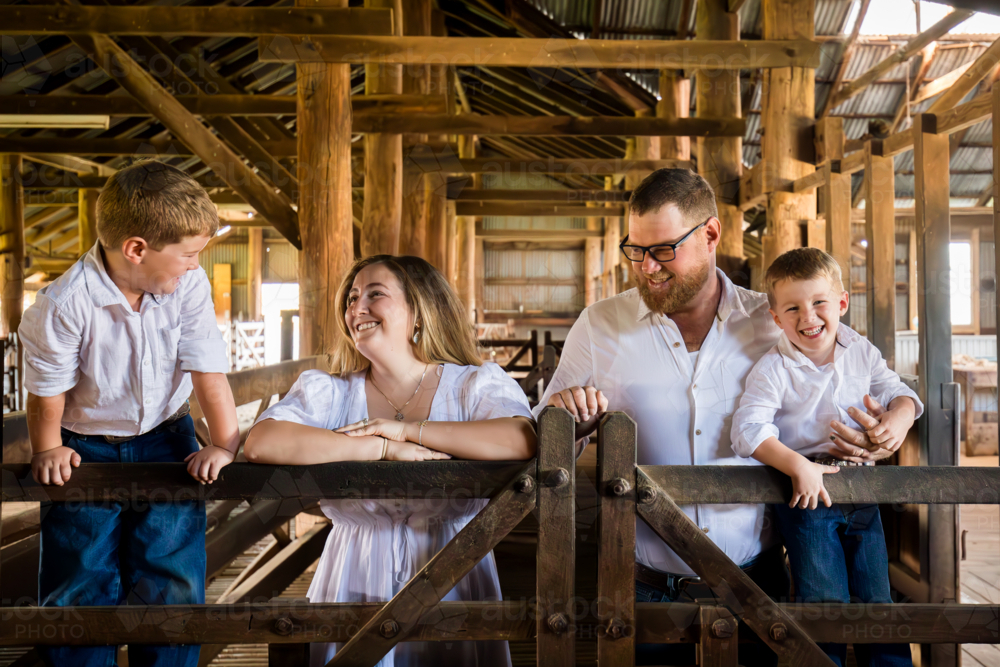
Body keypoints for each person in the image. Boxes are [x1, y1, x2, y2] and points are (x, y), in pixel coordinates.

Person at [535, 168, 896, 666]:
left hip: (759, 582)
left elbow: (844, 396)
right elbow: (549, 433)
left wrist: (877, 435)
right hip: (642, 590)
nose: (647, 268)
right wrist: (567, 421)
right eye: (635, 250)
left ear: (710, 234)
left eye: (664, 250)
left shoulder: (776, 323)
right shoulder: (599, 325)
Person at [244, 254, 536, 667]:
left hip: (452, 572)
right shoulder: (331, 391)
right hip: (352, 572)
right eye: (351, 298)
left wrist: (405, 430)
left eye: (374, 295)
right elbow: (262, 441)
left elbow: (519, 438)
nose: (356, 308)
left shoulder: (473, 384)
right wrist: (378, 448)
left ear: (418, 311)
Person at [19, 160, 240, 667]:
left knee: (172, 575)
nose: (193, 264)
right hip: (84, 446)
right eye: (187, 254)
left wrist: (225, 444)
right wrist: (48, 448)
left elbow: (207, 369)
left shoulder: (187, 285)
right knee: (81, 574)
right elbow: (47, 391)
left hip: (167, 436)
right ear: (136, 249)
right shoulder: (63, 304)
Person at [731, 248, 918, 667]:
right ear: (776, 318)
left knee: (876, 596)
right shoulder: (773, 367)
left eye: (819, 303)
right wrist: (798, 465)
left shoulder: (861, 350)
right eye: (793, 308)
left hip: (862, 488)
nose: (808, 317)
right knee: (822, 598)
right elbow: (747, 429)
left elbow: (895, 389)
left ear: (842, 303)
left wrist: (900, 418)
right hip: (807, 497)